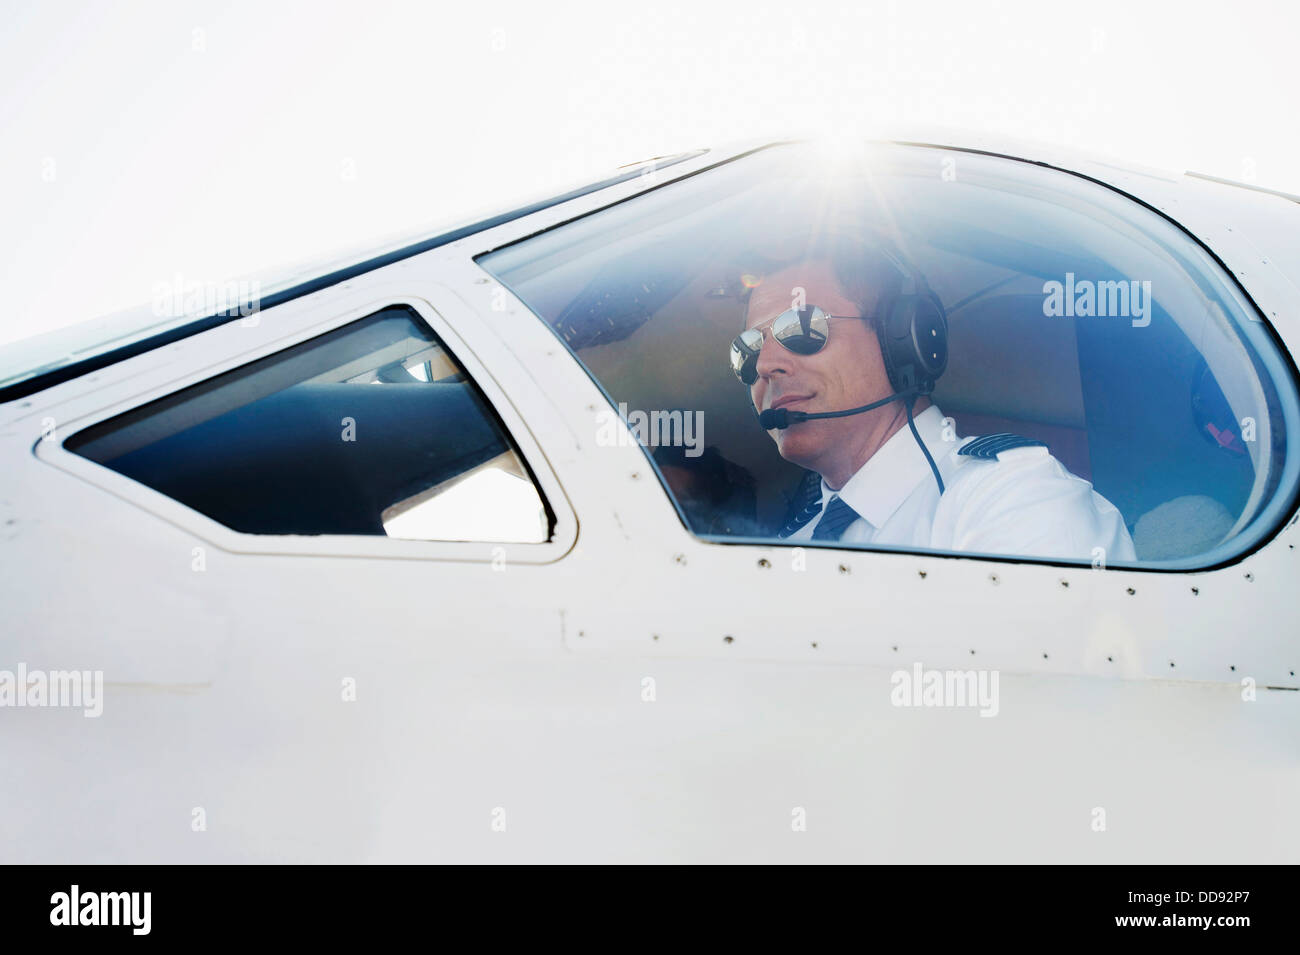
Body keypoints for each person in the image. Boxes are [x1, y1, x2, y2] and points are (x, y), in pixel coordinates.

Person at [729, 238, 1136, 562]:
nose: (764, 364)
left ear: (903, 339)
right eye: (747, 350)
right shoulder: (788, 546)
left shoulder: (1014, 500)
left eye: (800, 327)